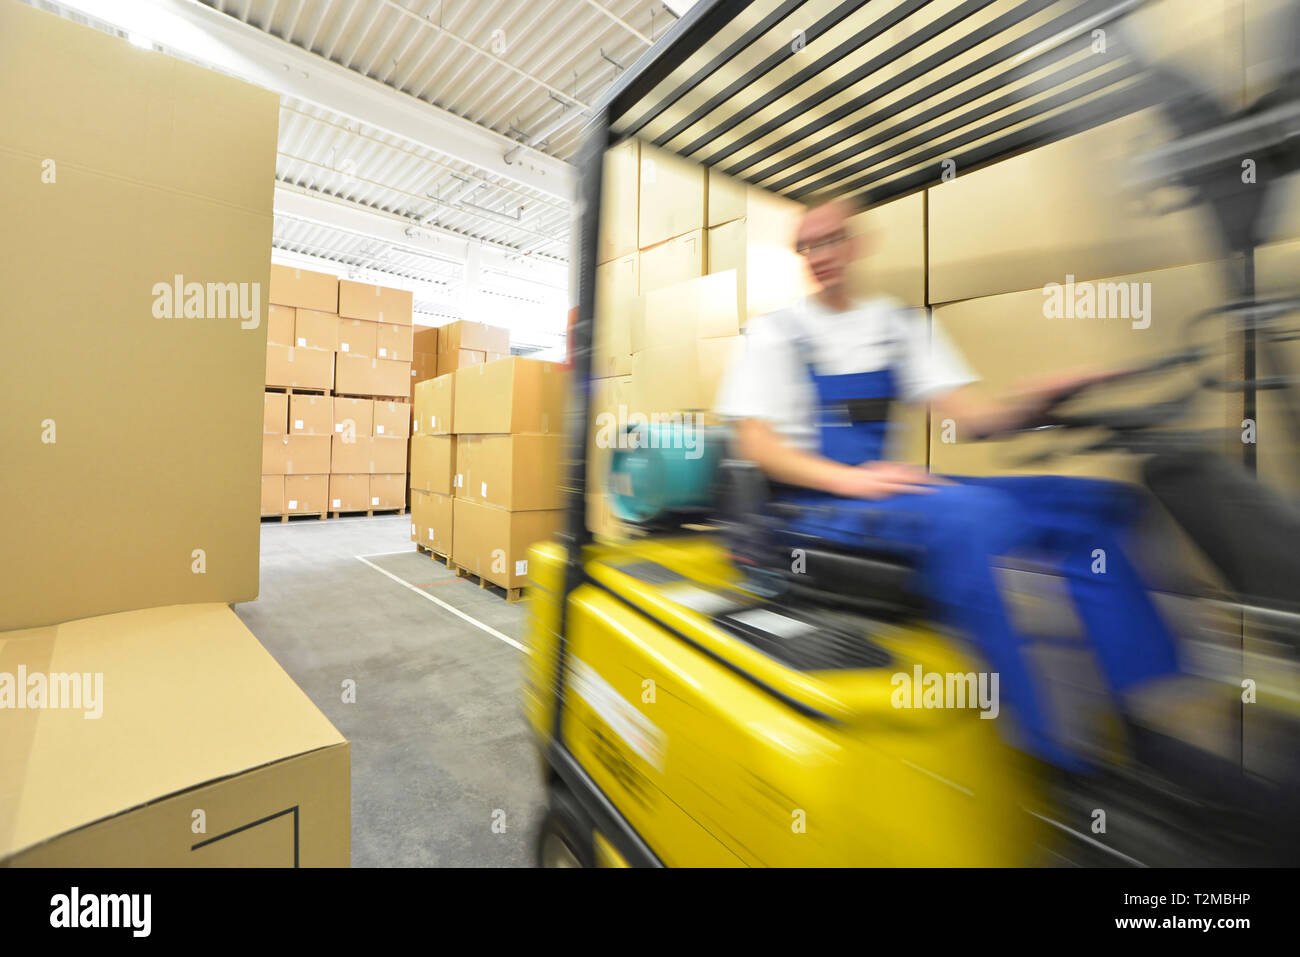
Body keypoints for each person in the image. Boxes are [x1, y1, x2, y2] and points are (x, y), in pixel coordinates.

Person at [715, 197, 1181, 770]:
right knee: (976, 517)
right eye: (808, 246)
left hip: (881, 492)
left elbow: (968, 419)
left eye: (832, 239)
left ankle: (1143, 714)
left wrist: (1032, 407)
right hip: (809, 509)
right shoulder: (774, 335)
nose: (821, 254)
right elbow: (756, 446)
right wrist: (851, 481)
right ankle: (1055, 754)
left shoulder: (896, 324)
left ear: (857, 244)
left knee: (1094, 505)